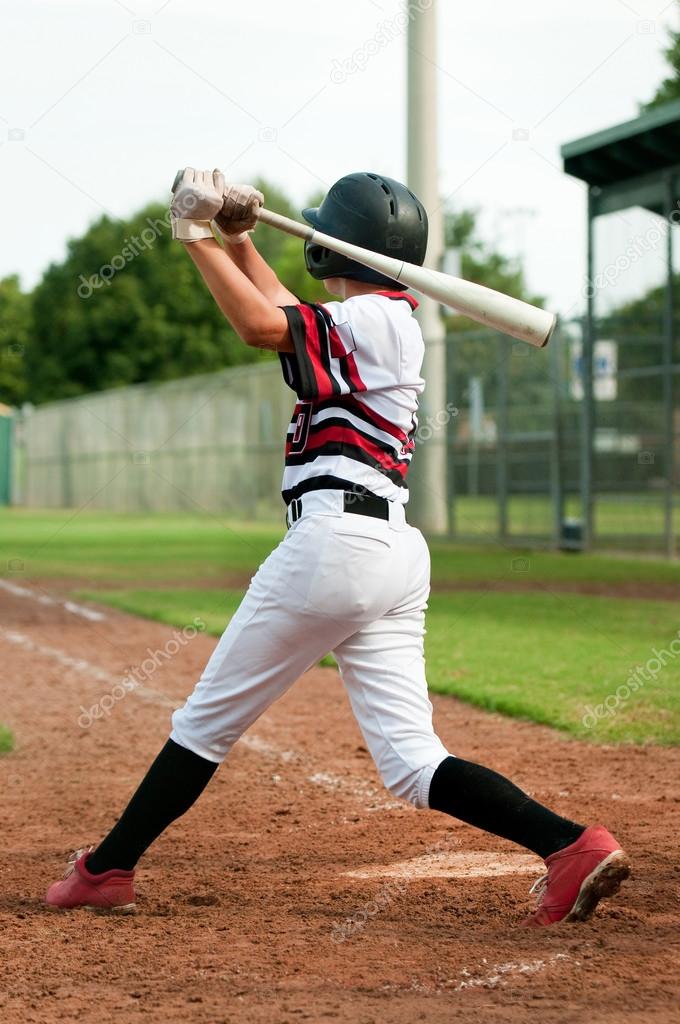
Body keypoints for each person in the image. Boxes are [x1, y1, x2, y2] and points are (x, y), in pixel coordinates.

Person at [46, 169, 630, 926]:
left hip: (335, 545)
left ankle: (106, 870)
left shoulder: (377, 321)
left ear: (335, 247)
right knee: (413, 762)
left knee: (203, 724)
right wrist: (238, 241)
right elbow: (284, 315)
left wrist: (191, 236)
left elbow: (260, 326)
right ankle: (570, 846)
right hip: (388, 551)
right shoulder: (379, 320)